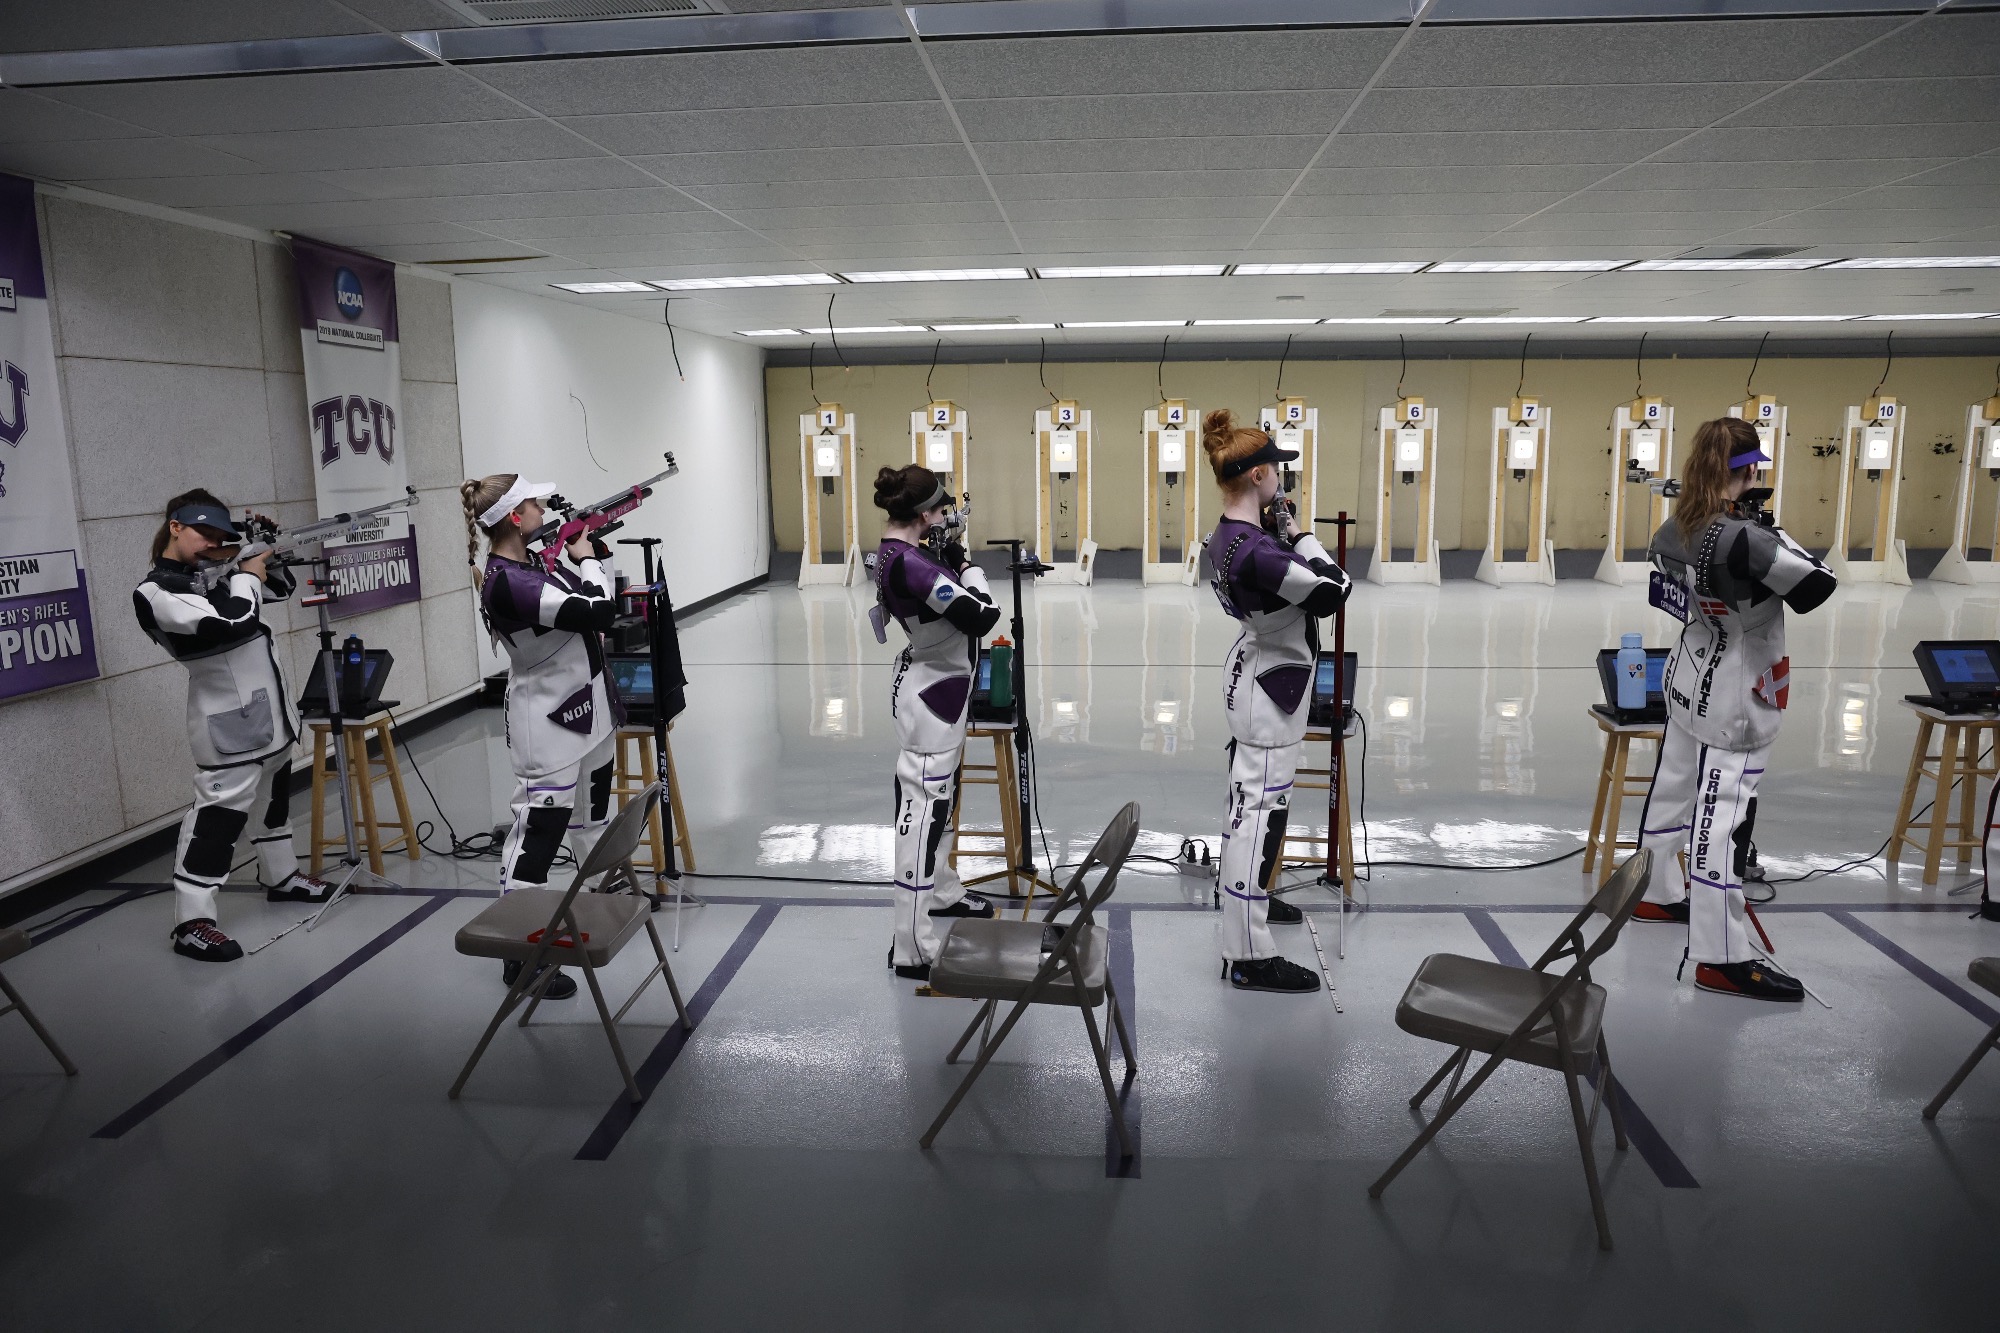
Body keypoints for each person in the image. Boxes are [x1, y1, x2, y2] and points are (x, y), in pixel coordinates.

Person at [1635, 418, 1836, 1000]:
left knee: (1673, 786)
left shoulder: (1674, 526)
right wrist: (1773, 531)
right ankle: (1721, 957)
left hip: (1688, 673)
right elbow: (1816, 588)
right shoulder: (1747, 539)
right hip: (1740, 691)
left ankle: (1656, 890)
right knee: (1722, 821)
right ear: (1749, 471)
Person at [134, 490, 334, 963]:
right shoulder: (158, 591)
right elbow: (236, 622)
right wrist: (244, 573)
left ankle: (282, 878)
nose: (212, 544)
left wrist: (265, 557)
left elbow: (277, 591)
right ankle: (192, 921)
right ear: (175, 527)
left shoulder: (213, 576)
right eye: (204, 533)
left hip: (271, 722)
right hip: (228, 730)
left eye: (221, 537)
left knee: (273, 807)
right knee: (215, 824)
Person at [1201, 409, 1351, 993]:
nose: (1282, 481)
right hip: (1272, 686)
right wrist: (1302, 535)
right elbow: (1334, 590)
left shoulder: (1228, 535)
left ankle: (1251, 900)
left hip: (1258, 672)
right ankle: (1246, 954)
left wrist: (1280, 530)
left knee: (1253, 811)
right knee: (1256, 818)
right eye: (1277, 473)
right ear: (1259, 475)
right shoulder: (1259, 551)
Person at [464, 473, 624, 1001]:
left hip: (584, 708)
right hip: (550, 723)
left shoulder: (530, 562)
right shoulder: (510, 579)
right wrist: (588, 557)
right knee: (536, 840)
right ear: (515, 516)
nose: (542, 509)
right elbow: (600, 608)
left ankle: (592, 909)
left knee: (591, 819)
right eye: (534, 503)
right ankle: (519, 956)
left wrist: (574, 551)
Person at [872, 464, 1002, 981]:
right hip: (932, 696)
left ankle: (942, 892)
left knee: (937, 808)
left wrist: (940, 551)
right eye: (940, 509)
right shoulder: (911, 565)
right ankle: (911, 946)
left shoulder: (896, 553)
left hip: (933, 686)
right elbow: (981, 616)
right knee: (922, 822)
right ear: (924, 514)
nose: (945, 515)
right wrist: (966, 565)